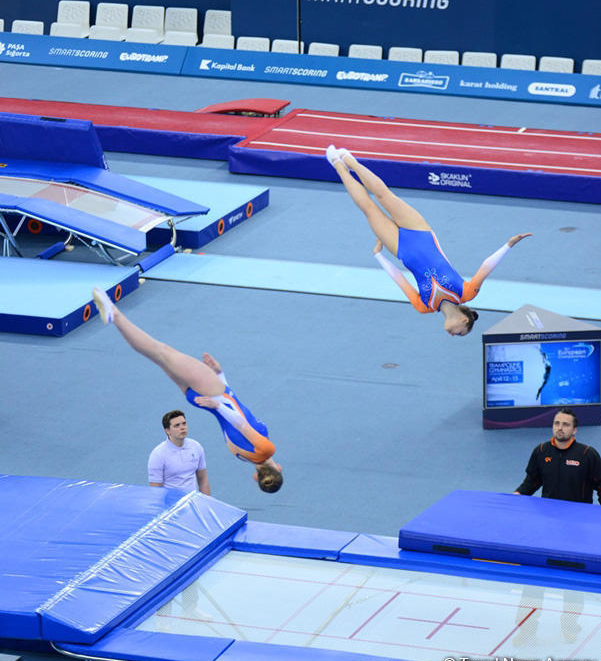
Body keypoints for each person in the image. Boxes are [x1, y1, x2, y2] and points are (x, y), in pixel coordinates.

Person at [92, 287, 283, 494]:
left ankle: (115, 315)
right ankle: (115, 317)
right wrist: (220, 375)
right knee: (157, 356)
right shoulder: (243, 455)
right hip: (206, 396)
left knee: (161, 351)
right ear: (256, 476)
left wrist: (217, 400)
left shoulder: (265, 450)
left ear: (278, 468)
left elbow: (240, 421)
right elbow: (238, 414)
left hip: (214, 394)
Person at [326, 145, 531, 336]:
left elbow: (400, 279)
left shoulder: (424, 307)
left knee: (368, 208)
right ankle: (350, 161)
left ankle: (337, 164)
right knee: (384, 196)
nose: (454, 335)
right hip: (421, 233)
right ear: (464, 320)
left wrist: (379, 256)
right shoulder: (466, 293)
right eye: (460, 333)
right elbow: (486, 267)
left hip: (401, 249)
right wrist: (509, 244)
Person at [514, 408, 601, 503]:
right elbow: (531, 482)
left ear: (574, 430)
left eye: (565, 424)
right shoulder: (541, 451)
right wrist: (515, 496)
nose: (560, 428)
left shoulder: (587, 454)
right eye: (557, 423)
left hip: (578, 514)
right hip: (549, 513)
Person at [148, 409, 211, 494]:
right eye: (177, 425)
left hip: (192, 503)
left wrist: (207, 504)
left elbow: (203, 480)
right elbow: (155, 490)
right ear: (167, 431)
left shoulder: (196, 447)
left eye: (184, 424)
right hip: (171, 505)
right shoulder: (158, 455)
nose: (182, 428)